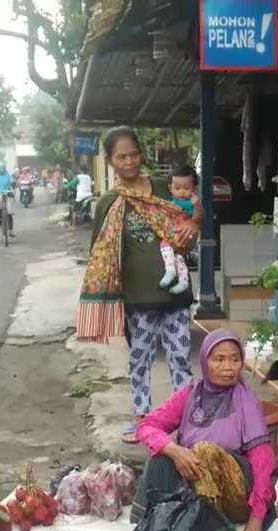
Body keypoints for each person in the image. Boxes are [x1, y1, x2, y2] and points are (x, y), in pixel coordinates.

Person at [75, 126, 200, 444]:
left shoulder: (163, 188)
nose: (129, 161)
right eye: (121, 157)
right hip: (137, 298)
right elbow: (100, 254)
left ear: (140, 155)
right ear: (110, 161)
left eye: (133, 154)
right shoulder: (109, 203)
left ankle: (186, 418)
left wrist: (191, 225)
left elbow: (189, 215)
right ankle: (141, 418)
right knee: (140, 358)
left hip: (176, 294)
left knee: (180, 356)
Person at [133, 329, 276, 531]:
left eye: (235, 359)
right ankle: (159, 520)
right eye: (219, 359)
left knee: (204, 451)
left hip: (237, 495)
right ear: (204, 360)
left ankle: (213, 528)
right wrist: (173, 449)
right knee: (162, 457)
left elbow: (263, 462)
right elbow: (146, 426)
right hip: (197, 484)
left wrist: (256, 520)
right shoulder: (192, 394)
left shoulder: (246, 402)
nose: (228, 367)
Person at [159, 164, 199, 295]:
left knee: (166, 245)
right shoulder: (169, 202)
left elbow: (197, 219)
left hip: (182, 233)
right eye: (177, 188)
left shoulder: (192, 203)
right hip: (173, 230)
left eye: (186, 188)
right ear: (170, 188)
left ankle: (170, 270)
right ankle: (183, 280)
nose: (182, 192)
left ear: (194, 188)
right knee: (178, 257)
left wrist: (196, 206)